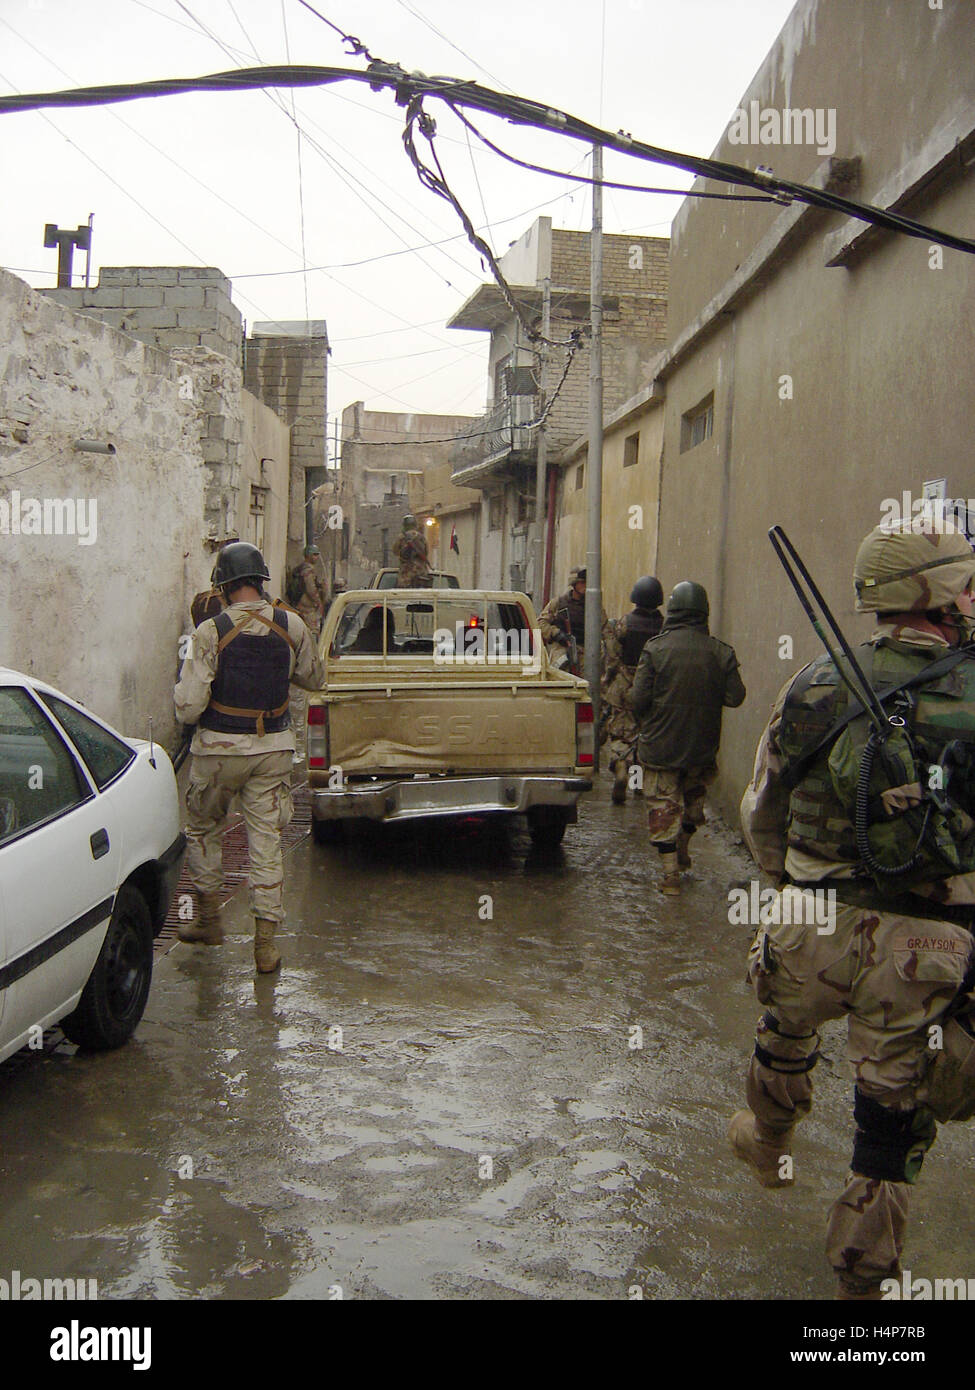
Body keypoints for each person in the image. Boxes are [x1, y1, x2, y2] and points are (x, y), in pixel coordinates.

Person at [731, 518, 975, 1300]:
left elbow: (760, 809)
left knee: (784, 1023)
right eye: (966, 583)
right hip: (924, 950)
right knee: (889, 1122)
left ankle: (767, 1140)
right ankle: (861, 1290)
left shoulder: (812, 681)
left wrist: (791, 888)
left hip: (806, 932)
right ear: (937, 594)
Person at [174, 541, 325, 974]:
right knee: (266, 844)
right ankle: (265, 947)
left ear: (223, 586)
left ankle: (209, 920)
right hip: (273, 752)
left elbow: (188, 708)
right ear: (260, 581)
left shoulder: (209, 631)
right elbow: (313, 677)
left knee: (204, 829)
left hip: (217, 753)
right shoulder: (291, 625)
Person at [629, 580, 745, 893]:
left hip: (661, 747)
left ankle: (670, 876)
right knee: (694, 805)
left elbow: (637, 701)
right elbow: (736, 697)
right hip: (700, 748)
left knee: (664, 808)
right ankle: (684, 845)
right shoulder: (721, 652)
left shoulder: (655, 649)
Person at [601, 576, 664, 803]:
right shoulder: (664, 627)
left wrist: (608, 681)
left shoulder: (625, 623)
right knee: (644, 735)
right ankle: (638, 784)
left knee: (621, 733)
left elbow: (612, 654)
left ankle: (621, 768)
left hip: (624, 686)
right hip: (651, 689)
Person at [540, 567, 606, 673]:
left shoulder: (594, 606)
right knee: (558, 670)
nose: (585, 585)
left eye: (587, 582)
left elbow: (604, 628)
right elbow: (541, 623)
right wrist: (556, 633)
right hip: (562, 647)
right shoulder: (559, 603)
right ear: (574, 583)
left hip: (586, 650)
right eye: (582, 582)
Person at [294, 544, 328, 635]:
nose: (317, 557)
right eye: (314, 555)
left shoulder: (304, 568)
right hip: (307, 606)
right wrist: (318, 601)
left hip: (305, 605)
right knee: (312, 633)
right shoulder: (307, 569)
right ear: (308, 555)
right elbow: (310, 589)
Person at [393, 515, 432, 587]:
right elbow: (426, 552)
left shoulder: (401, 537)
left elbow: (395, 551)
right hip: (421, 575)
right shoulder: (421, 537)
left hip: (406, 576)